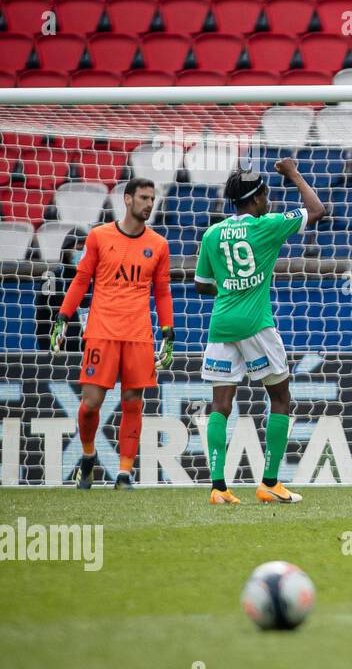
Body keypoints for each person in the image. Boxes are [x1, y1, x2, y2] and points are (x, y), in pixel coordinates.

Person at [197, 160, 326, 505]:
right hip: (256, 324)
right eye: (266, 194)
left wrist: (230, 288)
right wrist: (294, 173)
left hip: (222, 323)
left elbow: (200, 284)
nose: (269, 200)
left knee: (220, 405)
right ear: (255, 200)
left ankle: (218, 488)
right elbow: (317, 210)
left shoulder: (212, 233)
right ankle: (269, 482)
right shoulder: (266, 225)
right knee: (281, 398)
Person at [50, 177, 173, 489]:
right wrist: (62, 318)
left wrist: (167, 332)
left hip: (138, 335)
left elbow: (162, 293)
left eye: (152, 198)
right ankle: (89, 456)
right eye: (144, 197)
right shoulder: (99, 237)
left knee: (134, 400)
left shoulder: (158, 245)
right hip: (102, 331)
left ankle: (123, 473)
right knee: (91, 402)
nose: (149, 203)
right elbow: (80, 281)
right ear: (127, 200)